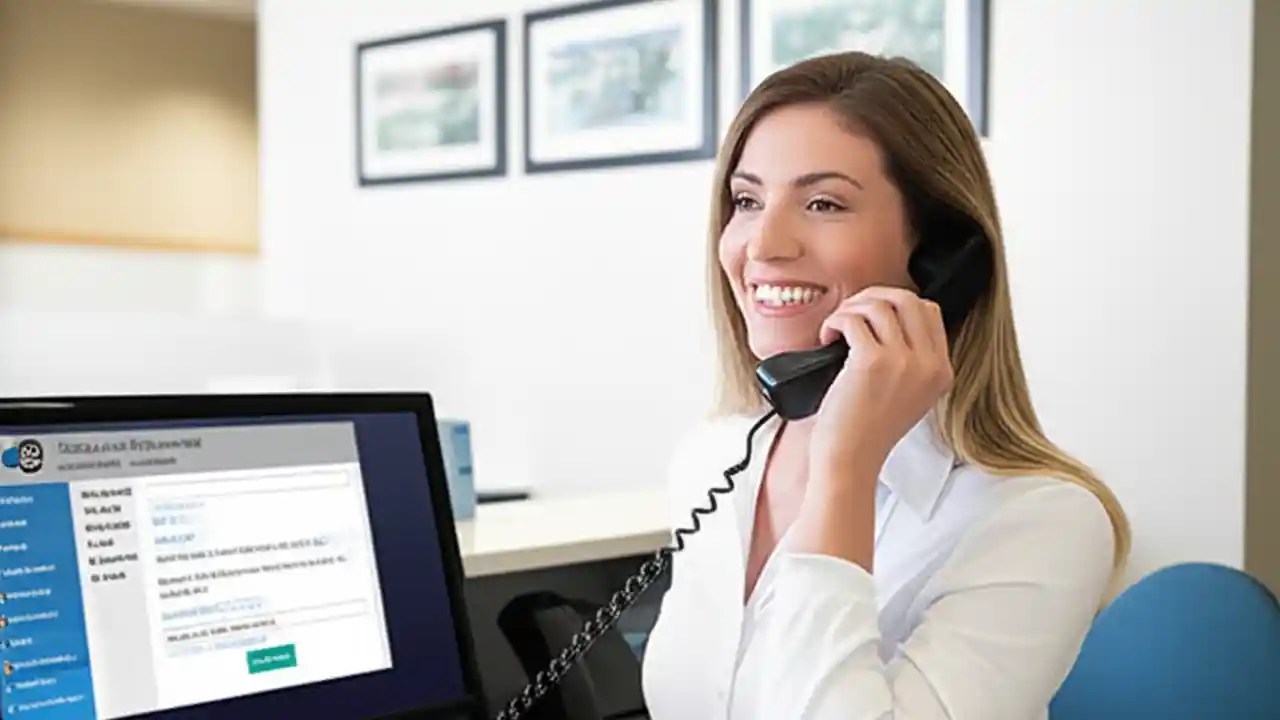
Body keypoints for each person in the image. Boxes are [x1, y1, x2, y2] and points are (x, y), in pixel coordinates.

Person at [639, 51, 1130, 720]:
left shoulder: (1041, 520)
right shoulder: (714, 460)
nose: (764, 245)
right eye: (748, 200)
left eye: (823, 202)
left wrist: (844, 471)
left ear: (941, 256)